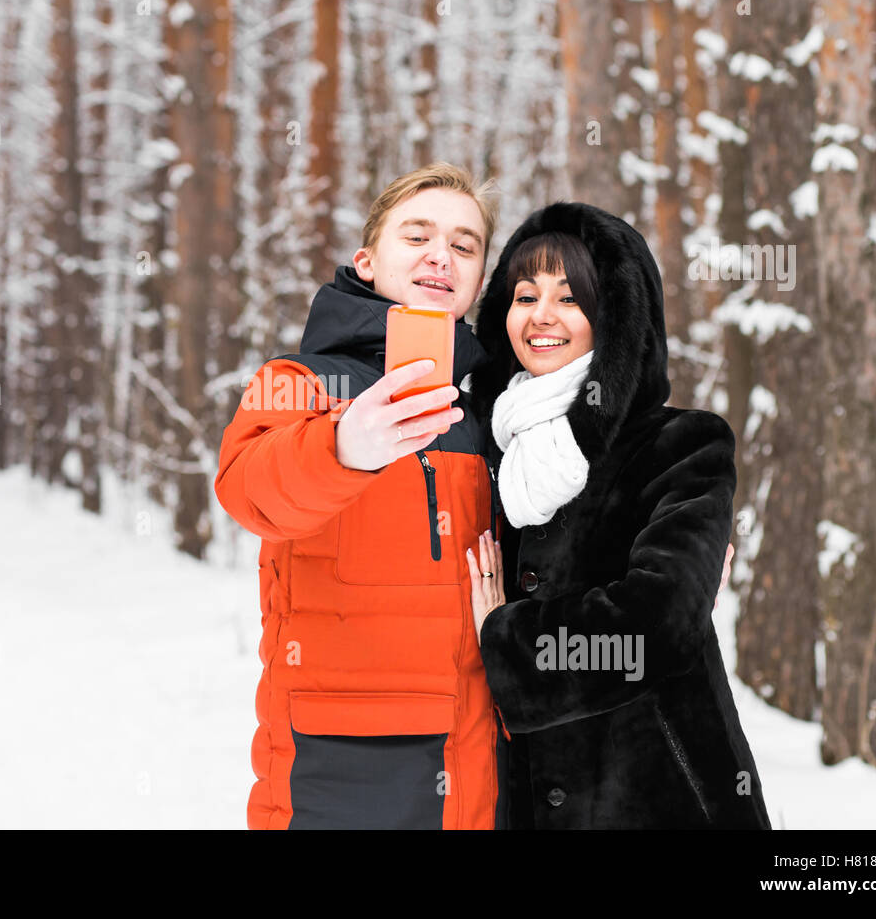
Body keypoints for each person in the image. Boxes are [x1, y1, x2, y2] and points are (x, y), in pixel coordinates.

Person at [214, 162, 504, 829]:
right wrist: (346, 448)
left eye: (464, 245)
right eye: (418, 236)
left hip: (481, 763)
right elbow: (249, 488)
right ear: (366, 260)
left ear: (479, 280)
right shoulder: (301, 382)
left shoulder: (496, 405)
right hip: (345, 771)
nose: (441, 255)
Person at [464, 201, 771, 829]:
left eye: (570, 298)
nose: (541, 317)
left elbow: (658, 623)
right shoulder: (491, 456)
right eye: (525, 296)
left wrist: (512, 639)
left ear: (616, 319)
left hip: (664, 797)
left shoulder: (681, 445)